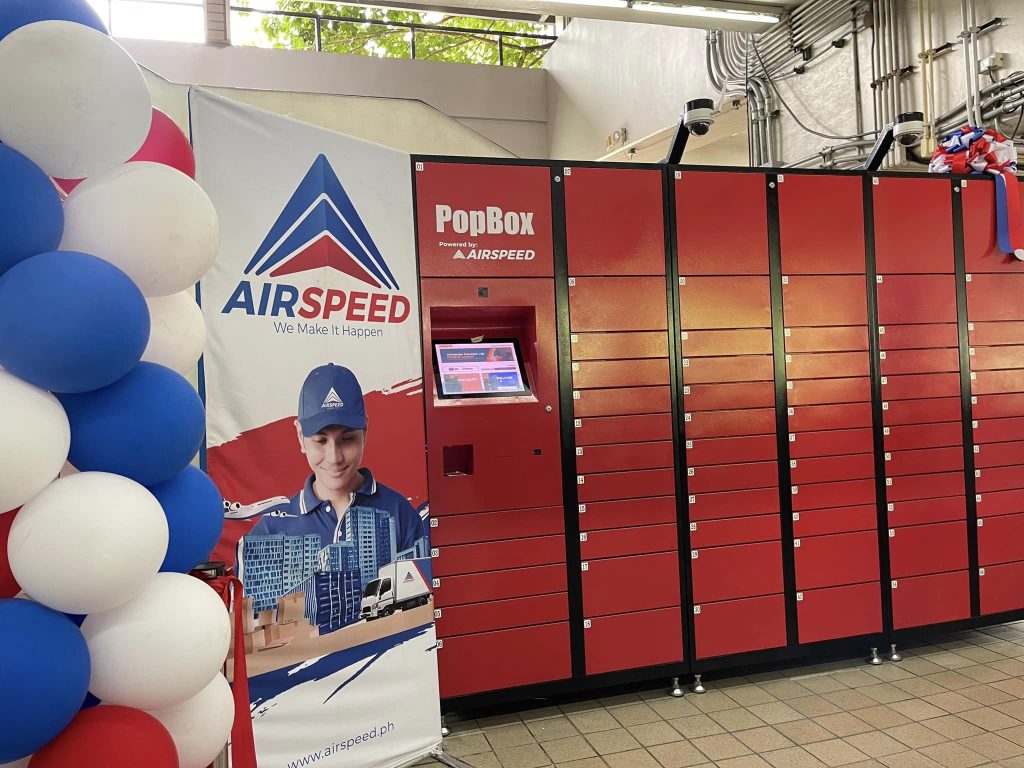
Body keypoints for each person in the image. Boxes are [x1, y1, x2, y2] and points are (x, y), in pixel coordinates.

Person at [244, 363, 425, 557]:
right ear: (300, 436)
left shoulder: (400, 514)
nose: (335, 457)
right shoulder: (273, 526)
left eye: (347, 439)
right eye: (320, 441)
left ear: (364, 431)